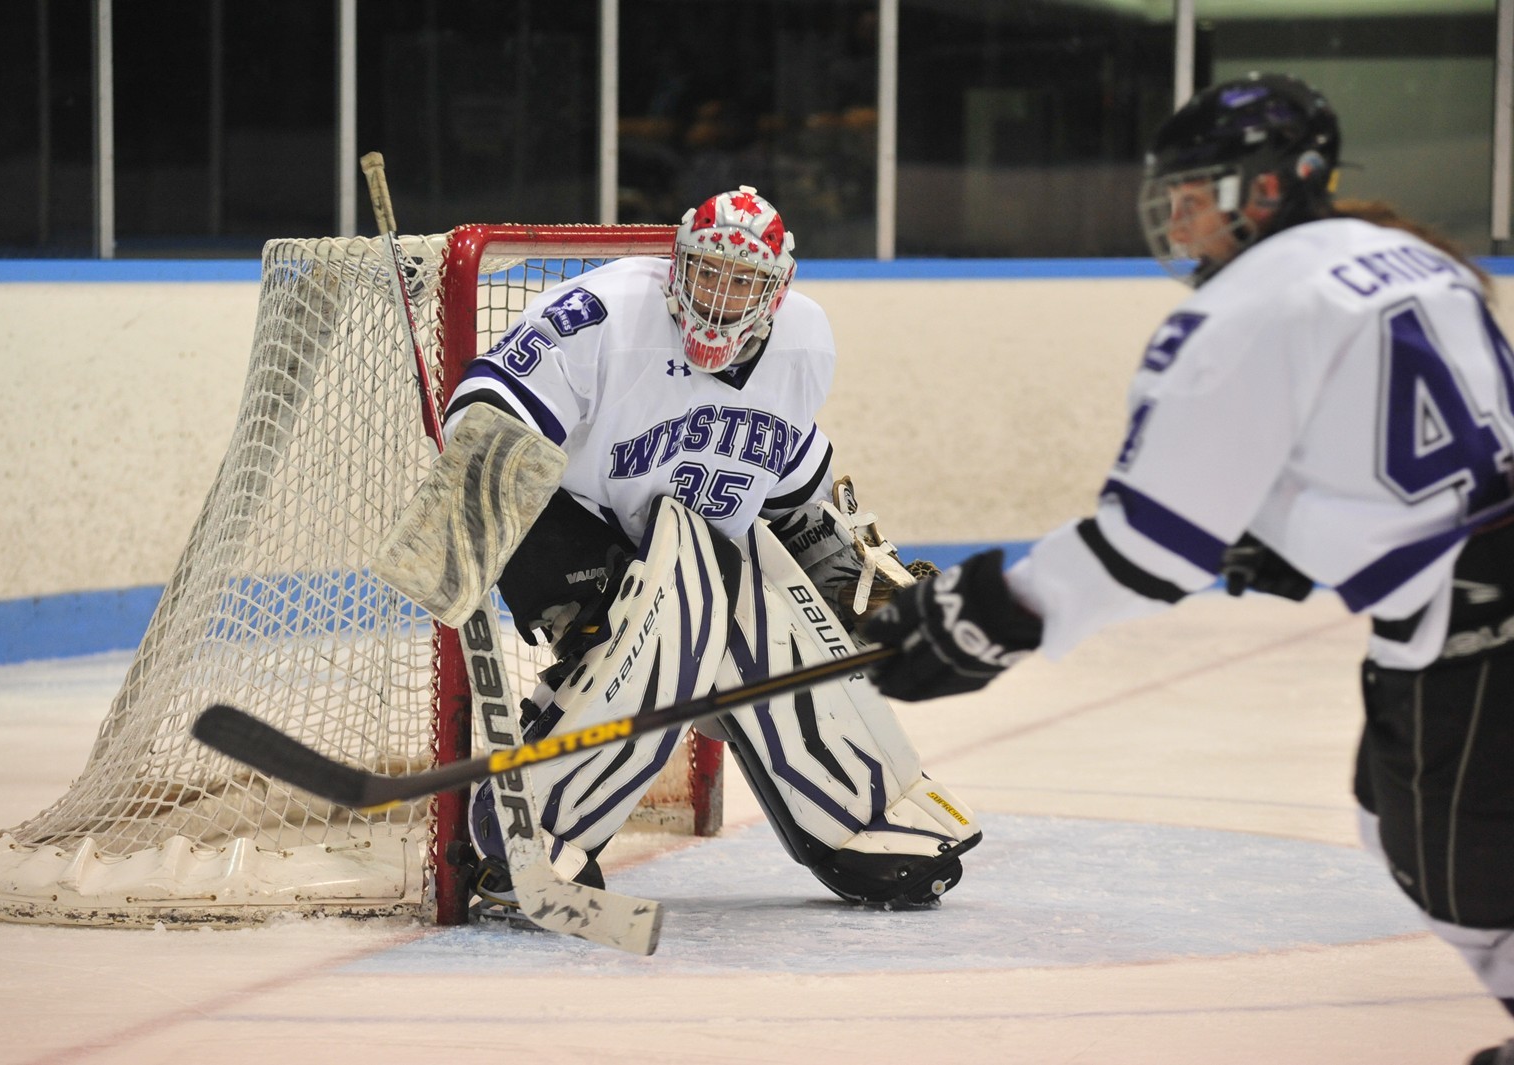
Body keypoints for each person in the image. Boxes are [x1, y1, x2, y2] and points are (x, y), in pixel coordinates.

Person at [860, 73, 1514, 1064]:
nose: (1177, 221)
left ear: (1268, 187)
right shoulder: (1410, 256)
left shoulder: (1245, 307)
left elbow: (1150, 542)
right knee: (1390, 810)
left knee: (1457, 870)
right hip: (1479, 586)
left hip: (1470, 620)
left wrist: (986, 615)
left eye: (1195, 195)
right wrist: (1293, 531)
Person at [400, 186, 981, 915]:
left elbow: (791, 494)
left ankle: (862, 818)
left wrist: (845, 578)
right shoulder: (606, 313)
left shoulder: (804, 343)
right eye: (708, 272)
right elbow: (490, 409)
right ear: (680, 263)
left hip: (696, 552)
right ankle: (531, 826)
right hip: (568, 530)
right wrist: (475, 488)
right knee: (679, 600)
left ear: (775, 291)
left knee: (767, 620)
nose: (718, 296)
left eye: (742, 282)